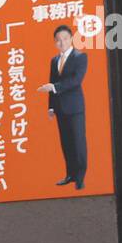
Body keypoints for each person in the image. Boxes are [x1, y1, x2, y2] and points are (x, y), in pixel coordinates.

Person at [38, 23, 88, 190]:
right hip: (60, 108)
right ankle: (70, 174)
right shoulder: (54, 60)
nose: (62, 42)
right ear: (55, 43)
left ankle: (80, 177)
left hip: (75, 108)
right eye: (58, 40)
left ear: (71, 39)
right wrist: (51, 107)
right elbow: (51, 81)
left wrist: (54, 88)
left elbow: (76, 81)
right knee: (66, 143)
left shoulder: (80, 57)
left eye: (65, 39)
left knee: (78, 143)